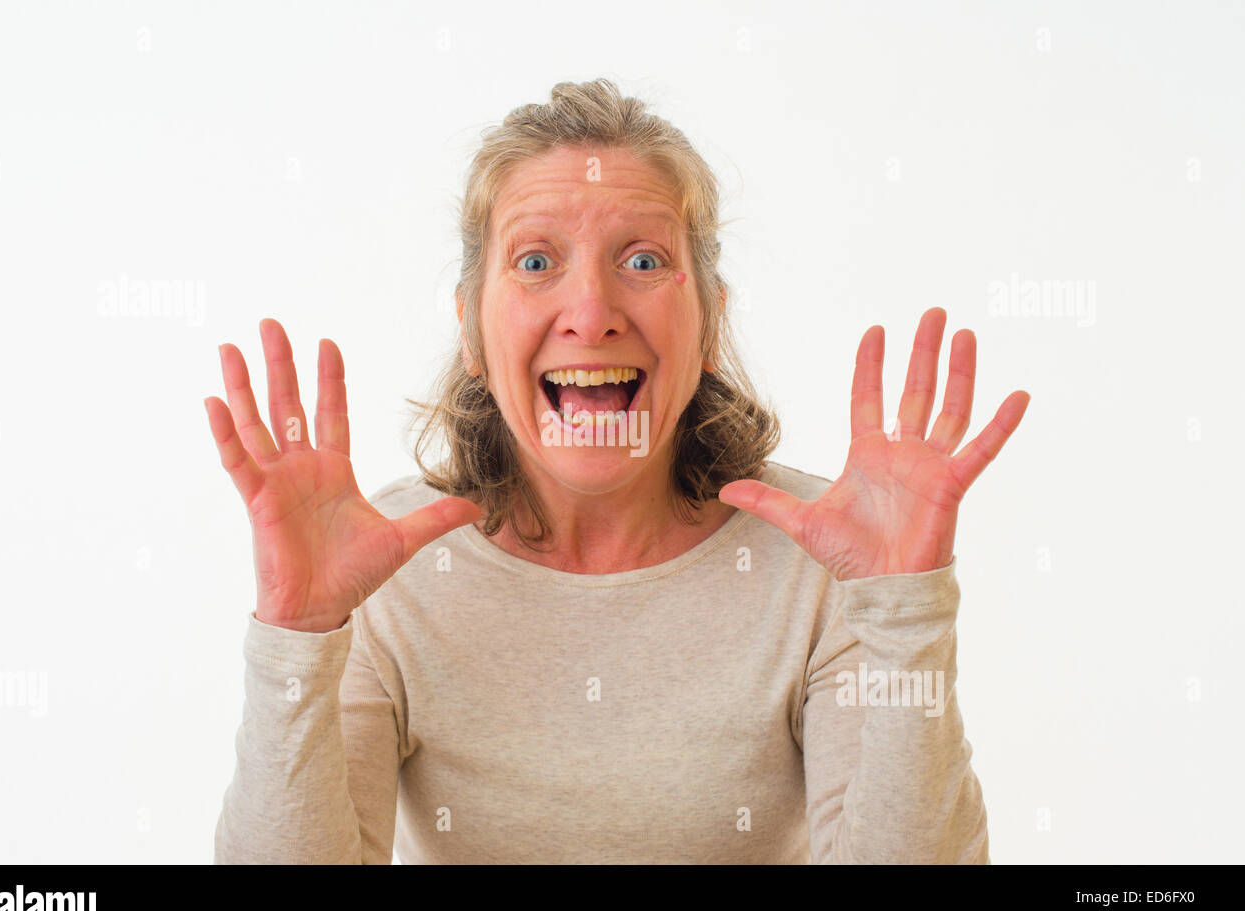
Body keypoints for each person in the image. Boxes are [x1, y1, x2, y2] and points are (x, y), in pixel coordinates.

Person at [206, 78, 1028, 864]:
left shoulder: (830, 560)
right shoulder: (386, 569)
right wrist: (296, 634)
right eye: (534, 262)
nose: (592, 314)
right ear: (470, 329)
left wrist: (904, 615)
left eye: (641, 261)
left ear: (707, 322)